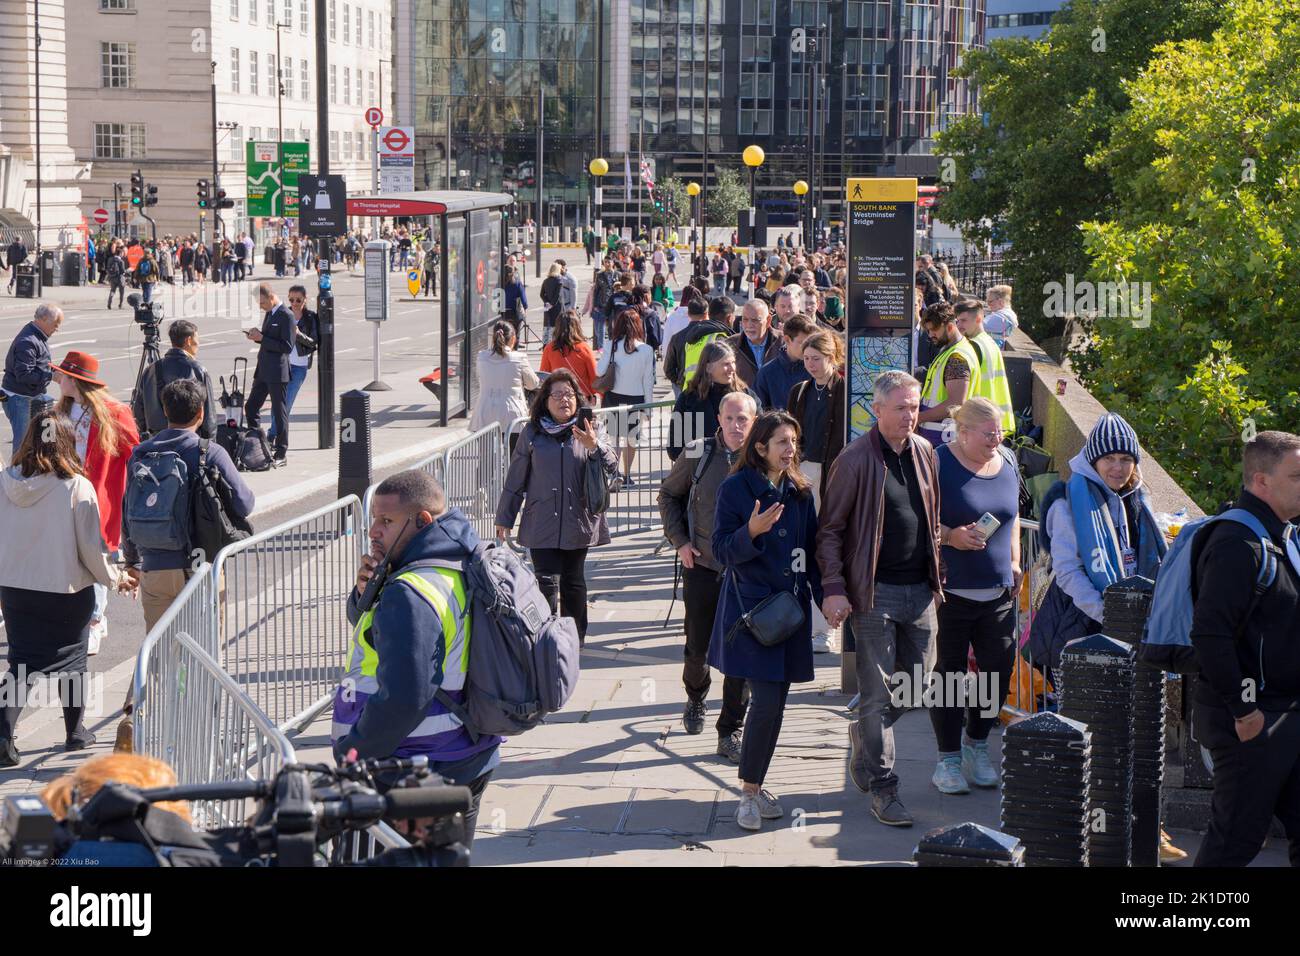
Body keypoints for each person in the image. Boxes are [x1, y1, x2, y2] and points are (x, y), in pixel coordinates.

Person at [334, 469, 502, 851]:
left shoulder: (411, 590)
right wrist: (365, 593)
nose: (374, 530)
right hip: (471, 753)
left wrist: (353, 752)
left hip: (414, 768)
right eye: (374, 518)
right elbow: (380, 632)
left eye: (387, 521)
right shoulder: (460, 555)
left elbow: (405, 698)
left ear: (422, 521)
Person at [817, 371, 942, 827]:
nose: (911, 415)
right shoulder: (854, 460)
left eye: (914, 406)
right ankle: (884, 789)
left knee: (921, 687)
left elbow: (930, 519)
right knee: (875, 695)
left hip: (920, 592)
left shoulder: (927, 452)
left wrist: (937, 573)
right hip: (874, 594)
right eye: (901, 408)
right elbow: (829, 531)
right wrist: (834, 588)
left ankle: (862, 736)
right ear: (877, 409)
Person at [1190, 431, 1300, 867]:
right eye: (1296, 475)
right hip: (1252, 720)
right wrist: (1243, 711)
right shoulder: (1237, 542)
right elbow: (1210, 634)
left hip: (1285, 713)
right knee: (1235, 841)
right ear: (1262, 480)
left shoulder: (1285, 534)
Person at [709, 410, 823, 830]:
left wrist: (829, 598)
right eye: (782, 442)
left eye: (793, 441)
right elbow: (720, 550)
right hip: (751, 614)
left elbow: (810, 552)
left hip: (788, 614)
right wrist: (751, 532)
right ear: (760, 447)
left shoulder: (799, 491)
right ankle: (749, 794)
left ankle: (755, 785)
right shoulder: (735, 489)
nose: (790, 449)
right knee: (766, 703)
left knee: (775, 707)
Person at [0, 412, 134, 766]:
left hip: (14, 589)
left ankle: (2, 734)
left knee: (21, 663)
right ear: (65, 442)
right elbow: (90, 548)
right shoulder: (75, 485)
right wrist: (116, 578)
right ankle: (75, 732)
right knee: (73, 661)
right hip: (65, 590)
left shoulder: (4, 482)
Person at [928, 398, 1021, 794]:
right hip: (951, 590)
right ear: (962, 433)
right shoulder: (937, 462)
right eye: (988, 434)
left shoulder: (1008, 462)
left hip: (997, 589)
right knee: (949, 675)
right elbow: (916, 516)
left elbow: (1013, 518)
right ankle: (947, 760)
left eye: (999, 432)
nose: (996, 439)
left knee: (997, 673)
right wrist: (951, 536)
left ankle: (976, 746)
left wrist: (1015, 561)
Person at [658, 392, 757, 762]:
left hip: (747, 572)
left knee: (742, 652)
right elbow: (667, 494)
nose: (736, 426)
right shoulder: (699, 452)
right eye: (730, 418)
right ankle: (696, 696)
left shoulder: (762, 457)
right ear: (719, 418)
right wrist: (680, 541)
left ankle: (730, 728)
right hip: (703, 566)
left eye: (743, 419)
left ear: (753, 420)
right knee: (698, 647)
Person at [1029, 414, 1168, 675]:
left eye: (1126, 459)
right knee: (1080, 712)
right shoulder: (1066, 502)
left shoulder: (1134, 499)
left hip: (1127, 625)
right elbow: (1069, 573)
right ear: (1093, 461)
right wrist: (1109, 616)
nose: (1118, 467)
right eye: (1108, 459)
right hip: (1079, 624)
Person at [495, 369, 617, 645]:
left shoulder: (591, 427)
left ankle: (574, 639)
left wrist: (594, 446)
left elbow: (613, 465)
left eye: (569, 394)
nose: (564, 400)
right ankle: (545, 638)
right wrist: (505, 517)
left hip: (578, 518)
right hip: (541, 518)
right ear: (545, 401)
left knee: (573, 580)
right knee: (545, 580)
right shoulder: (533, 432)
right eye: (557, 395)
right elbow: (516, 478)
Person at [53, 351, 139, 654]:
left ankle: (95, 619)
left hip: (100, 499)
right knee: (68, 558)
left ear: (75, 380)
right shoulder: (60, 411)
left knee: (97, 559)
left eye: (60, 374)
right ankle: (74, 617)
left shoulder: (114, 412)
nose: (56, 378)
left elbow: (135, 453)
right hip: (63, 496)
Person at [787, 330, 847, 655]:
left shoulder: (844, 390)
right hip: (804, 474)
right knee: (806, 549)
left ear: (831, 357)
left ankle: (831, 626)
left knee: (830, 547)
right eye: (806, 358)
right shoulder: (799, 391)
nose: (810, 364)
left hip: (834, 475)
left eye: (816, 358)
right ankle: (815, 626)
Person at [594, 310, 656, 485]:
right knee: (631, 439)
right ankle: (628, 475)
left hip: (614, 397)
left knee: (614, 438)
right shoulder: (646, 349)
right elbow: (648, 381)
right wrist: (648, 408)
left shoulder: (611, 345)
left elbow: (599, 371)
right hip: (636, 399)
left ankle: (614, 473)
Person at [668, 340, 756, 461]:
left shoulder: (746, 395)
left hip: (740, 467)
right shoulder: (689, 400)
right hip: (701, 471)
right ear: (708, 367)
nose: (732, 368)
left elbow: (759, 432)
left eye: (733, 362)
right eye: (726, 364)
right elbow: (676, 446)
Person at [132, 320, 217, 441]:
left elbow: (139, 412)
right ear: (188, 340)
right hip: (189, 441)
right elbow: (209, 418)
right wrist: (209, 446)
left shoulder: (150, 370)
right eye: (197, 339)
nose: (198, 343)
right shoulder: (198, 370)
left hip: (157, 441)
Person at [916, 302, 980, 447]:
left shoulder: (957, 358)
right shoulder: (950, 350)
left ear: (950, 327)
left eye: (934, 330)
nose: (930, 335)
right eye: (928, 331)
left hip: (945, 439)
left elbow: (956, 403)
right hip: (940, 437)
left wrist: (918, 418)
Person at [2, 303, 62, 459]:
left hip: (29, 395)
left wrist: (55, 370)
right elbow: (23, 375)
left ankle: (35, 470)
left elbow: (40, 363)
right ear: (43, 319)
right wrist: (50, 376)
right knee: (23, 443)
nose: (57, 329)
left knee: (43, 437)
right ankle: (16, 477)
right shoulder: (28, 341)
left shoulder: (38, 336)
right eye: (55, 325)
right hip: (19, 397)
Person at [244, 283, 295, 464]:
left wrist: (263, 338)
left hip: (277, 371)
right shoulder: (270, 313)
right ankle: (258, 442)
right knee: (250, 407)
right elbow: (269, 340)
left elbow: (287, 346)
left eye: (262, 302)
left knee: (278, 411)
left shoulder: (286, 316)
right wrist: (257, 337)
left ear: (271, 297)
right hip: (263, 369)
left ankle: (281, 452)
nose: (260, 306)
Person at [954, 298, 1016, 436]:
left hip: (980, 422)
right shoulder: (990, 342)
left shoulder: (973, 346)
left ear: (979, 319)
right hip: (995, 421)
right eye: (957, 321)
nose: (959, 326)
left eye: (964, 320)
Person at [470, 320, 538, 439]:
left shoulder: (481, 356)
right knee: (514, 455)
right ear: (513, 339)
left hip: (484, 412)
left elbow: (478, 377)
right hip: (513, 414)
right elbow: (533, 384)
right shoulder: (519, 358)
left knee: (486, 457)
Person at [663, 295, 731, 399]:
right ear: (706, 313)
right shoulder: (715, 334)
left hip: (687, 390)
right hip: (711, 390)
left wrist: (680, 381)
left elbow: (668, 369)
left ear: (688, 314)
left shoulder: (677, 337)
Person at [754, 313, 817, 411]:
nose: (808, 347)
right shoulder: (767, 373)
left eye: (812, 342)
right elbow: (759, 413)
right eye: (803, 343)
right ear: (787, 340)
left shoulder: (818, 369)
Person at [541, 309, 598, 404]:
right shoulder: (584, 348)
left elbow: (545, 376)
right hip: (581, 398)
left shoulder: (549, 348)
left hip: (558, 398)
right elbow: (594, 378)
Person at [726, 298, 782, 388]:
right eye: (745, 319)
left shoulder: (784, 342)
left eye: (755, 320)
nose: (749, 325)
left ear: (768, 321)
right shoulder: (730, 345)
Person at [540, 262, 564, 343]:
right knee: (556, 325)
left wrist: (547, 302)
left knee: (547, 325)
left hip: (547, 307)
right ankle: (555, 342)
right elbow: (557, 295)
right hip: (556, 307)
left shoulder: (546, 281)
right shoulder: (559, 281)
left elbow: (541, 294)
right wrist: (552, 304)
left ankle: (546, 344)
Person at [104, 242, 128, 308]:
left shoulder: (110, 259)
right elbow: (123, 270)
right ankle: (120, 304)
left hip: (112, 277)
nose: (122, 254)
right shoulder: (121, 261)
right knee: (121, 292)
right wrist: (126, 272)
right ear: (120, 254)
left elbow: (107, 267)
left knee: (112, 290)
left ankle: (109, 303)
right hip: (120, 278)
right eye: (122, 253)